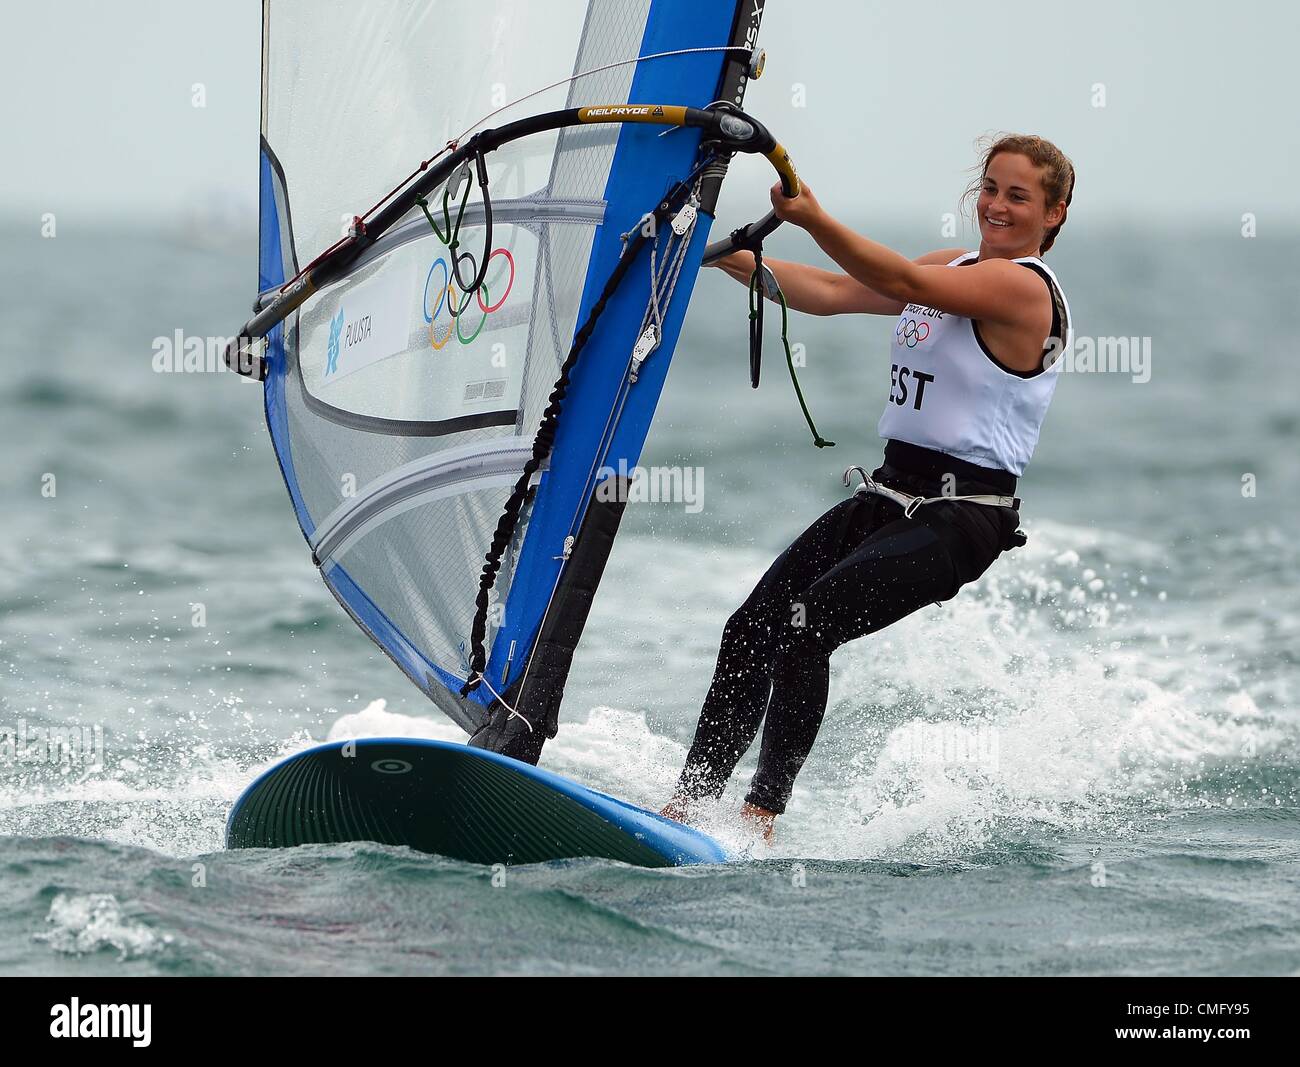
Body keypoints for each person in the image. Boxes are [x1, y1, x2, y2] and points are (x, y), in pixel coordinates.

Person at [660, 134, 1075, 841]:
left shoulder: (1024, 288)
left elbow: (907, 284)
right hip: (889, 492)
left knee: (803, 628)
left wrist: (813, 218)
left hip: (961, 516)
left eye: (1019, 196)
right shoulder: (955, 264)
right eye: (991, 188)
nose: (997, 206)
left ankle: (759, 817)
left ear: (1054, 213)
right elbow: (828, 292)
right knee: (752, 626)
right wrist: (705, 252)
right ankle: (689, 806)